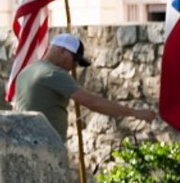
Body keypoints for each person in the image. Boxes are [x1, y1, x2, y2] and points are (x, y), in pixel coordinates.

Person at [12, 31, 160, 140]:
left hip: (24, 141)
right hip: (45, 147)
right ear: (63, 51)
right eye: (74, 60)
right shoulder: (53, 73)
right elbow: (94, 103)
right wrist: (135, 113)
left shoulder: (26, 71)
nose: (74, 66)